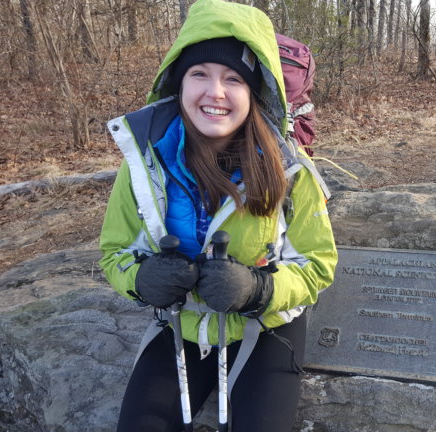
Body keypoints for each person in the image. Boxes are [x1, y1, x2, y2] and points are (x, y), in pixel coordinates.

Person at [98, 0, 337, 430]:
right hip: (181, 326)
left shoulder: (290, 169)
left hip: (264, 330)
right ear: (179, 82)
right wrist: (141, 280)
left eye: (233, 79)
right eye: (199, 74)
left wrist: (258, 289)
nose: (216, 92)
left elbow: (318, 266)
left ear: (254, 92)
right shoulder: (145, 166)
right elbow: (116, 251)